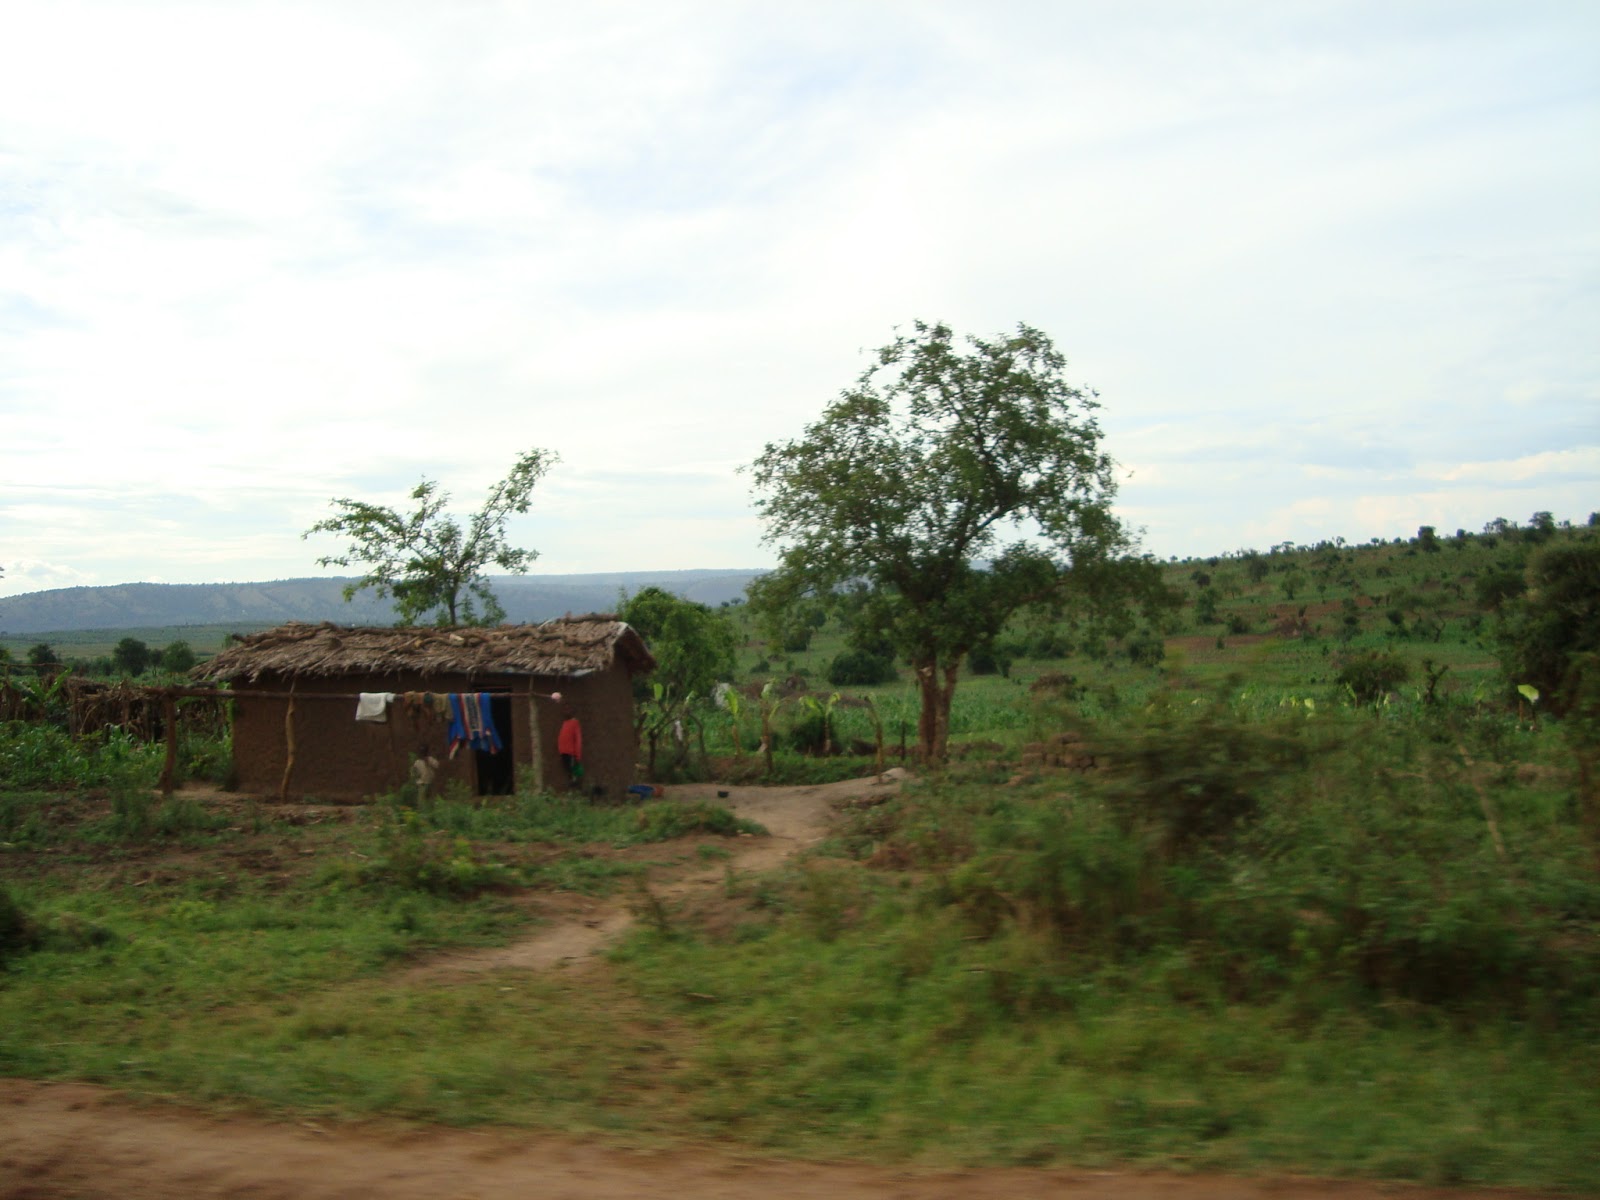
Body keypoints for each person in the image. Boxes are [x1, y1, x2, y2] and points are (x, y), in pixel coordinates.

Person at [557, 707, 583, 791]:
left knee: (572, 771)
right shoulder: (565, 723)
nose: (566, 712)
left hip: (571, 752)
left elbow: (578, 739)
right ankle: (572, 785)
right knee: (568, 770)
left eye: (568, 710)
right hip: (563, 751)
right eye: (564, 710)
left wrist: (577, 755)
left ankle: (575, 786)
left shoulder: (575, 722)